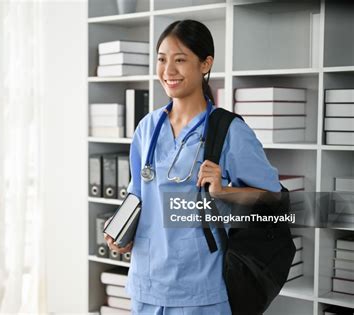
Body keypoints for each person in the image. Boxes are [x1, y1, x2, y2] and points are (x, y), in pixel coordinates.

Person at [104, 19, 281, 315]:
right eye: (162, 60)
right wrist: (122, 233)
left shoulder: (229, 130)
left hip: (200, 289)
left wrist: (225, 191)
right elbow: (137, 196)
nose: (168, 71)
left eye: (180, 60)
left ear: (205, 64)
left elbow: (273, 198)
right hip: (146, 283)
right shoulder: (148, 127)